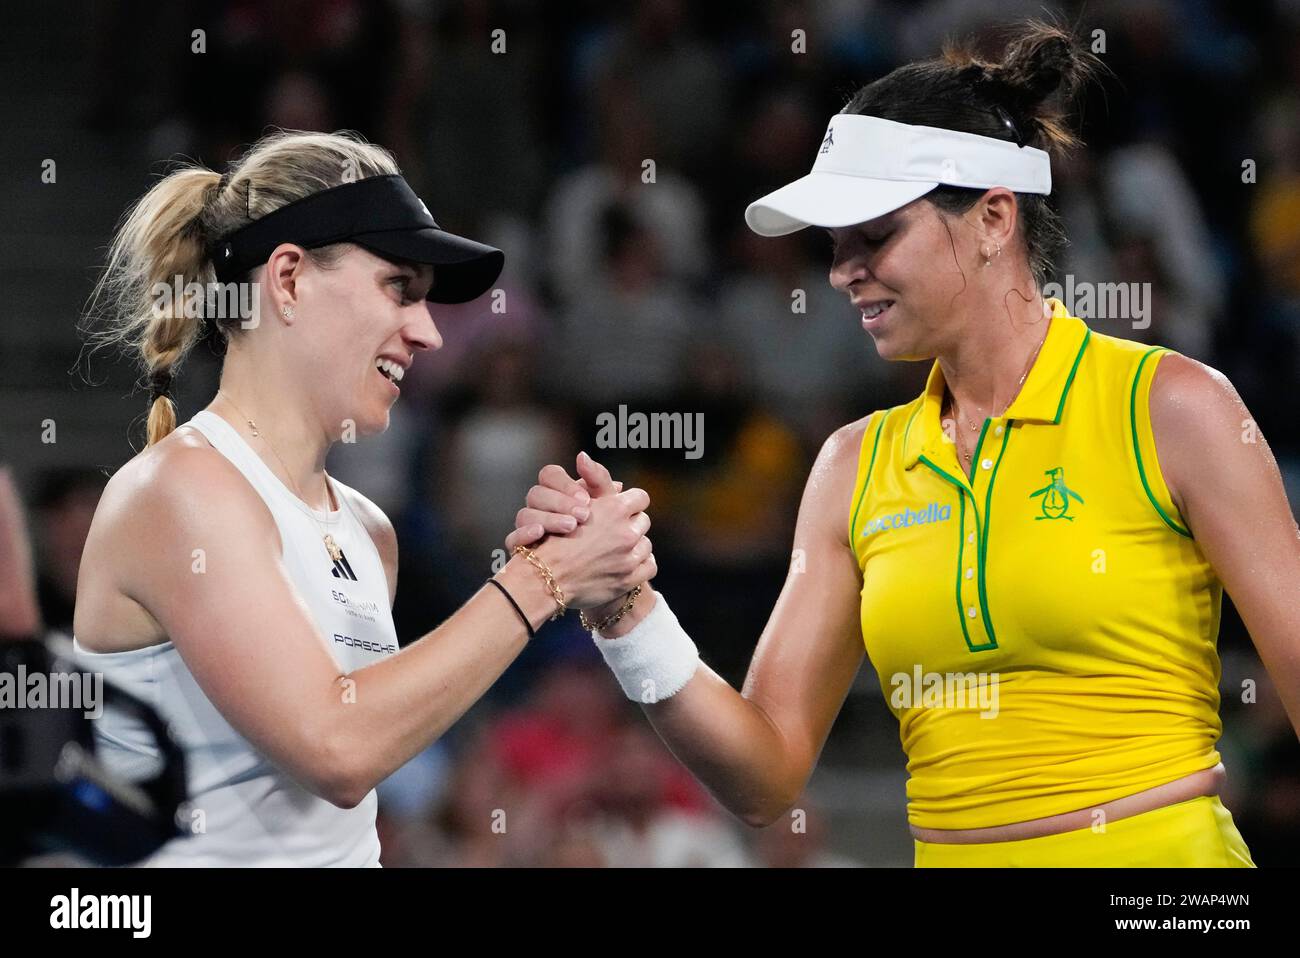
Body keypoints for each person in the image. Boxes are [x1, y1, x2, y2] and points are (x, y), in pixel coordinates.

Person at [507, 22, 1300, 866]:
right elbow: (765, 773)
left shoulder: (1173, 408)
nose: (843, 269)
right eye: (835, 243)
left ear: (995, 217)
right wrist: (627, 611)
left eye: (875, 235)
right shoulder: (853, 466)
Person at [71, 129, 656, 866]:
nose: (429, 332)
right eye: (399, 289)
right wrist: (542, 581)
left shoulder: (369, 530)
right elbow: (336, 746)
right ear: (287, 279)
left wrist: (554, 561)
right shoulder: (179, 491)